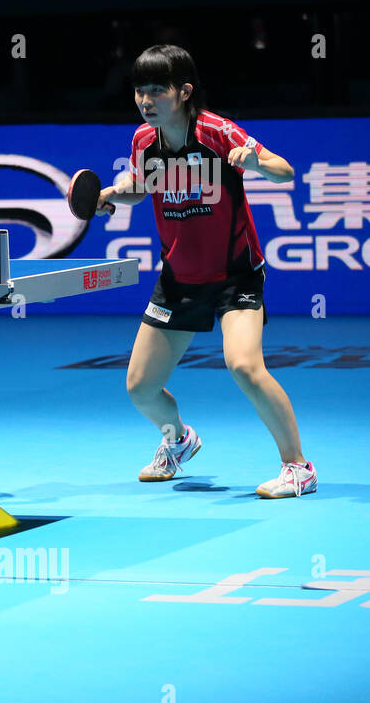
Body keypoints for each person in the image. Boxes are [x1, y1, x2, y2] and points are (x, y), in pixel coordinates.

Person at [97, 44, 315, 498]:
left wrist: (255, 162)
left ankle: (298, 467)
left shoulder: (216, 131)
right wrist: (114, 195)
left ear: (184, 91)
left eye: (157, 90)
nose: (146, 100)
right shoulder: (143, 141)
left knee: (244, 366)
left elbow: (286, 171)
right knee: (140, 387)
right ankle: (178, 439)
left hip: (235, 274)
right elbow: (140, 188)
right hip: (178, 278)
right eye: (140, 90)